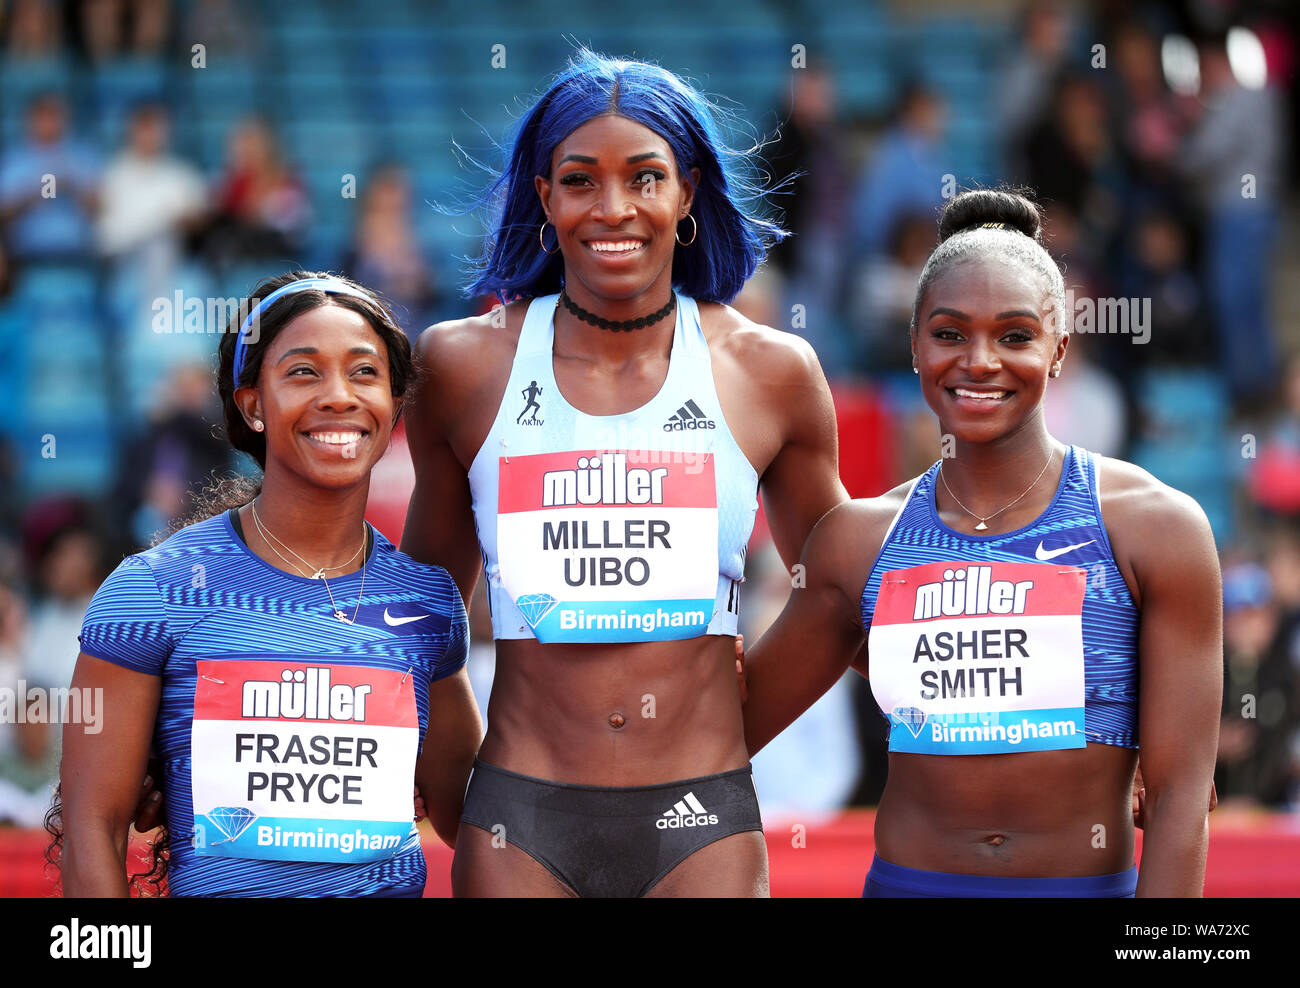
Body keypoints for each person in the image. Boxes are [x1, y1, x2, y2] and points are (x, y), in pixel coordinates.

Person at [402, 49, 846, 897]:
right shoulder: (462, 367)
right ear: (544, 198)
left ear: (687, 193)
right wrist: (467, 793)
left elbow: (843, 587)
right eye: (580, 181)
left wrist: (725, 738)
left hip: (701, 822)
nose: (614, 208)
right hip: (519, 819)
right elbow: (422, 618)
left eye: (645, 179)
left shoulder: (771, 372)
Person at [742, 189, 1223, 897]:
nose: (980, 361)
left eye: (1015, 336)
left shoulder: (1156, 528)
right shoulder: (859, 542)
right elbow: (729, 736)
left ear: (1059, 348)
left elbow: (1184, 799)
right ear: (914, 345)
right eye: (949, 333)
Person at [53, 271, 481, 896]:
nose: (339, 396)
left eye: (365, 372)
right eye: (303, 372)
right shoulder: (153, 590)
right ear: (252, 403)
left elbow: (469, 816)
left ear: (393, 405)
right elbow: (93, 828)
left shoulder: (426, 603)